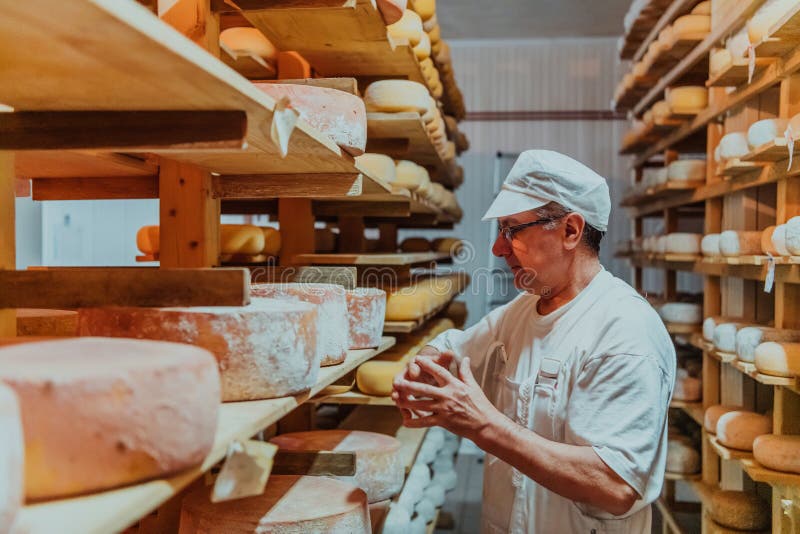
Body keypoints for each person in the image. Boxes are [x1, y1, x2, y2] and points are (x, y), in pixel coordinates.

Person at [392, 150, 675, 533]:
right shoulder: (523, 310)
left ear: (571, 231)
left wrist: (483, 426)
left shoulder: (625, 332)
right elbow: (455, 346)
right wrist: (423, 370)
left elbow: (616, 485)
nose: (497, 248)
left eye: (511, 230)